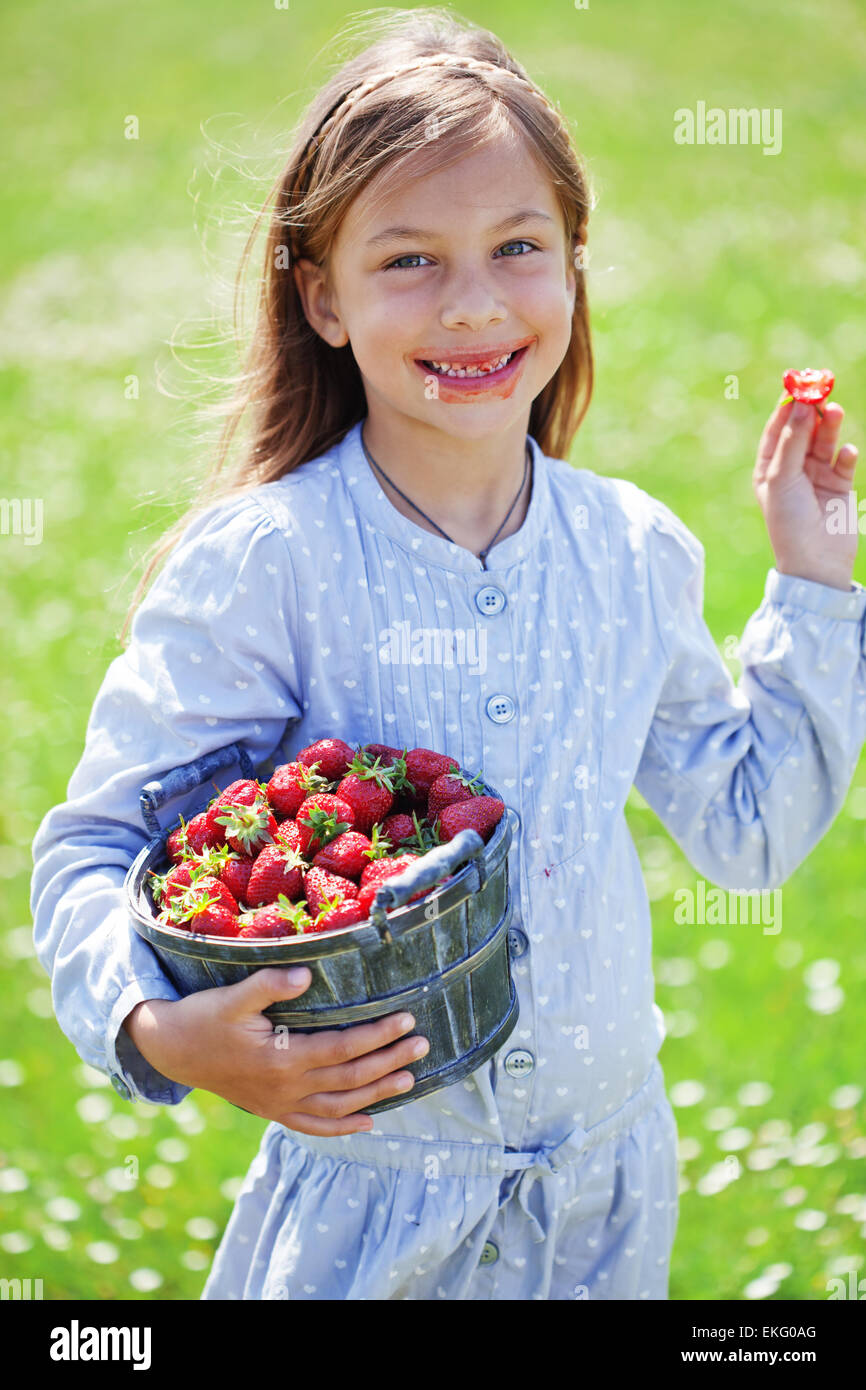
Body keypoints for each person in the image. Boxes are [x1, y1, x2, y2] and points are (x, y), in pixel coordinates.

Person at [30, 7, 864, 1301]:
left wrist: (812, 581)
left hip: (599, 1206)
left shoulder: (629, 551)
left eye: (516, 247)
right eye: (408, 259)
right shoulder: (269, 564)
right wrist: (159, 1027)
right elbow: (91, 847)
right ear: (321, 295)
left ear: (574, 265)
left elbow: (745, 833)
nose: (473, 303)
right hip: (370, 1213)